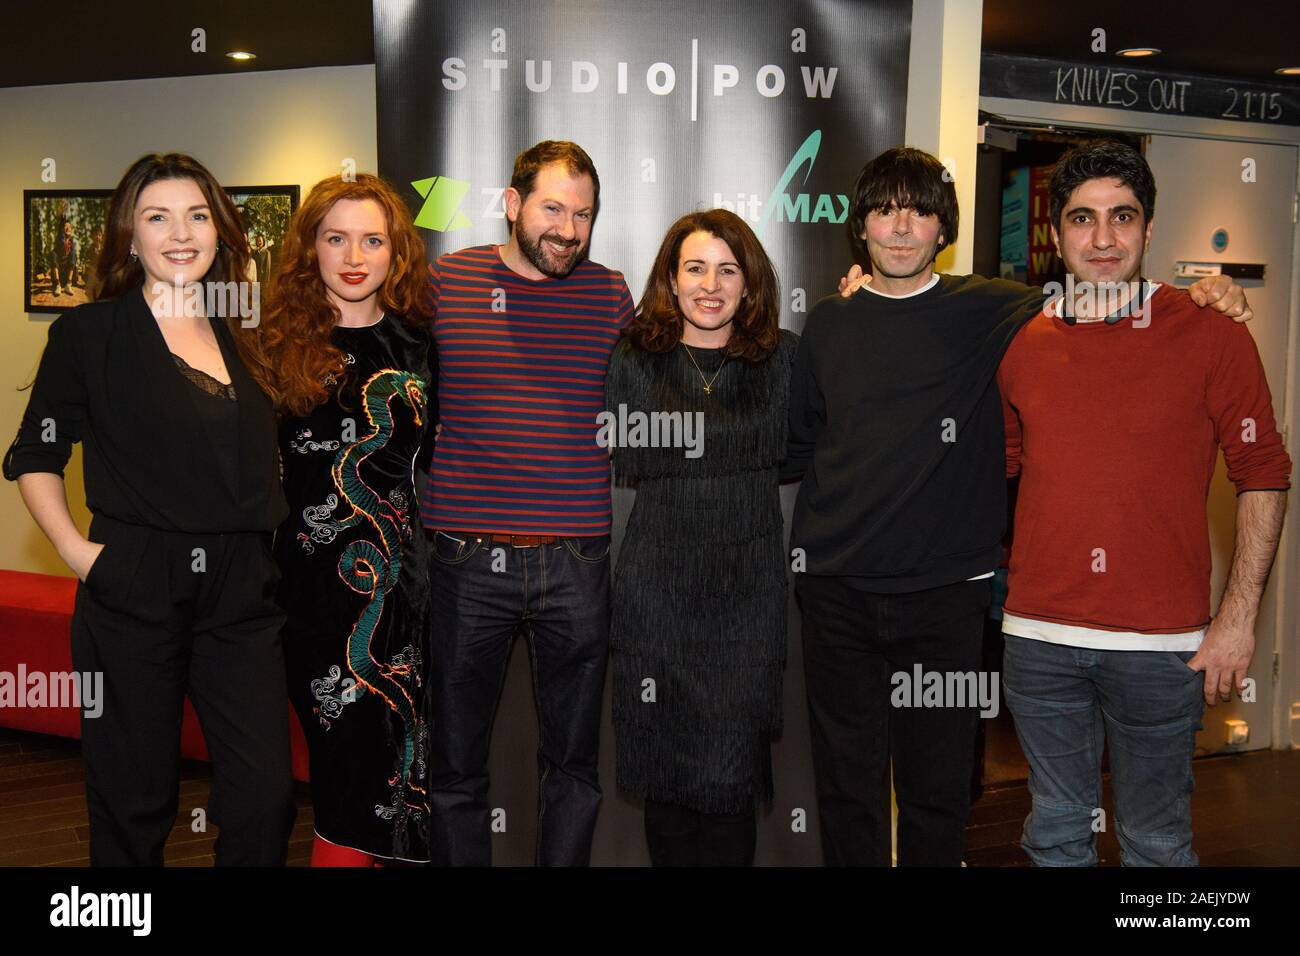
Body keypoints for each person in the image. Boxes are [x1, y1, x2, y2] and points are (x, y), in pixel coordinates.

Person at [786, 146, 1250, 867]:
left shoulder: (994, 308)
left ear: (944, 229)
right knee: (850, 792)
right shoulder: (827, 324)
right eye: (885, 211)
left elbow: (1108, 289)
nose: (902, 227)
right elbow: (807, 443)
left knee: (940, 791)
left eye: (921, 212)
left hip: (948, 600)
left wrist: (1207, 294)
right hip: (837, 597)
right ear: (861, 228)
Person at [997, 140, 1291, 866]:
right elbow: (998, 469)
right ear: (1057, 235)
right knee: (1056, 835)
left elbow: (1264, 471)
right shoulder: (1020, 343)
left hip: (1163, 652)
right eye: (1082, 219)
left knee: (1157, 845)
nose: (1102, 239)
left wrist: (1238, 615)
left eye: (1121, 217)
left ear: (1149, 229)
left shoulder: (1213, 331)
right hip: (1039, 641)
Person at [3, 153, 294, 866]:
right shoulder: (89, 335)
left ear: (220, 232)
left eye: (197, 215)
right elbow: (35, 456)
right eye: (157, 217)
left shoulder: (249, 333)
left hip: (243, 589)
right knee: (132, 801)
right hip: (134, 580)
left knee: (265, 797)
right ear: (130, 237)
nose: (180, 233)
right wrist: (81, 556)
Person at [420, 140, 633, 866]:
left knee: (573, 768)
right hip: (463, 560)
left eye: (583, 214)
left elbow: (681, 369)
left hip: (577, 564)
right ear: (512, 204)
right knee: (452, 767)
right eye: (552, 208)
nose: (568, 230)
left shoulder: (611, 294)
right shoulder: (446, 282)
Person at [255, 174, 437, 867]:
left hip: (404, 596)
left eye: (372, 239)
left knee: (398, 771)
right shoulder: (274, 346)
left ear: (397, 253)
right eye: (336, 238)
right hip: (309, 599)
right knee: (340, 771)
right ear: (312, 249)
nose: (354, 255)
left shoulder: (422, 348)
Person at [606, 209, 797, 866]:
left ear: (750, 283)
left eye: (728, 269)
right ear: (671, 278)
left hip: (747, 598)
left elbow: (803, 450)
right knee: (667, 775)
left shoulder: (783, 358)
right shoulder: (635, 358)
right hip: (658, 595)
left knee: (731, 777)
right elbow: (624, 455)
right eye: (695, 268)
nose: (710, 284)